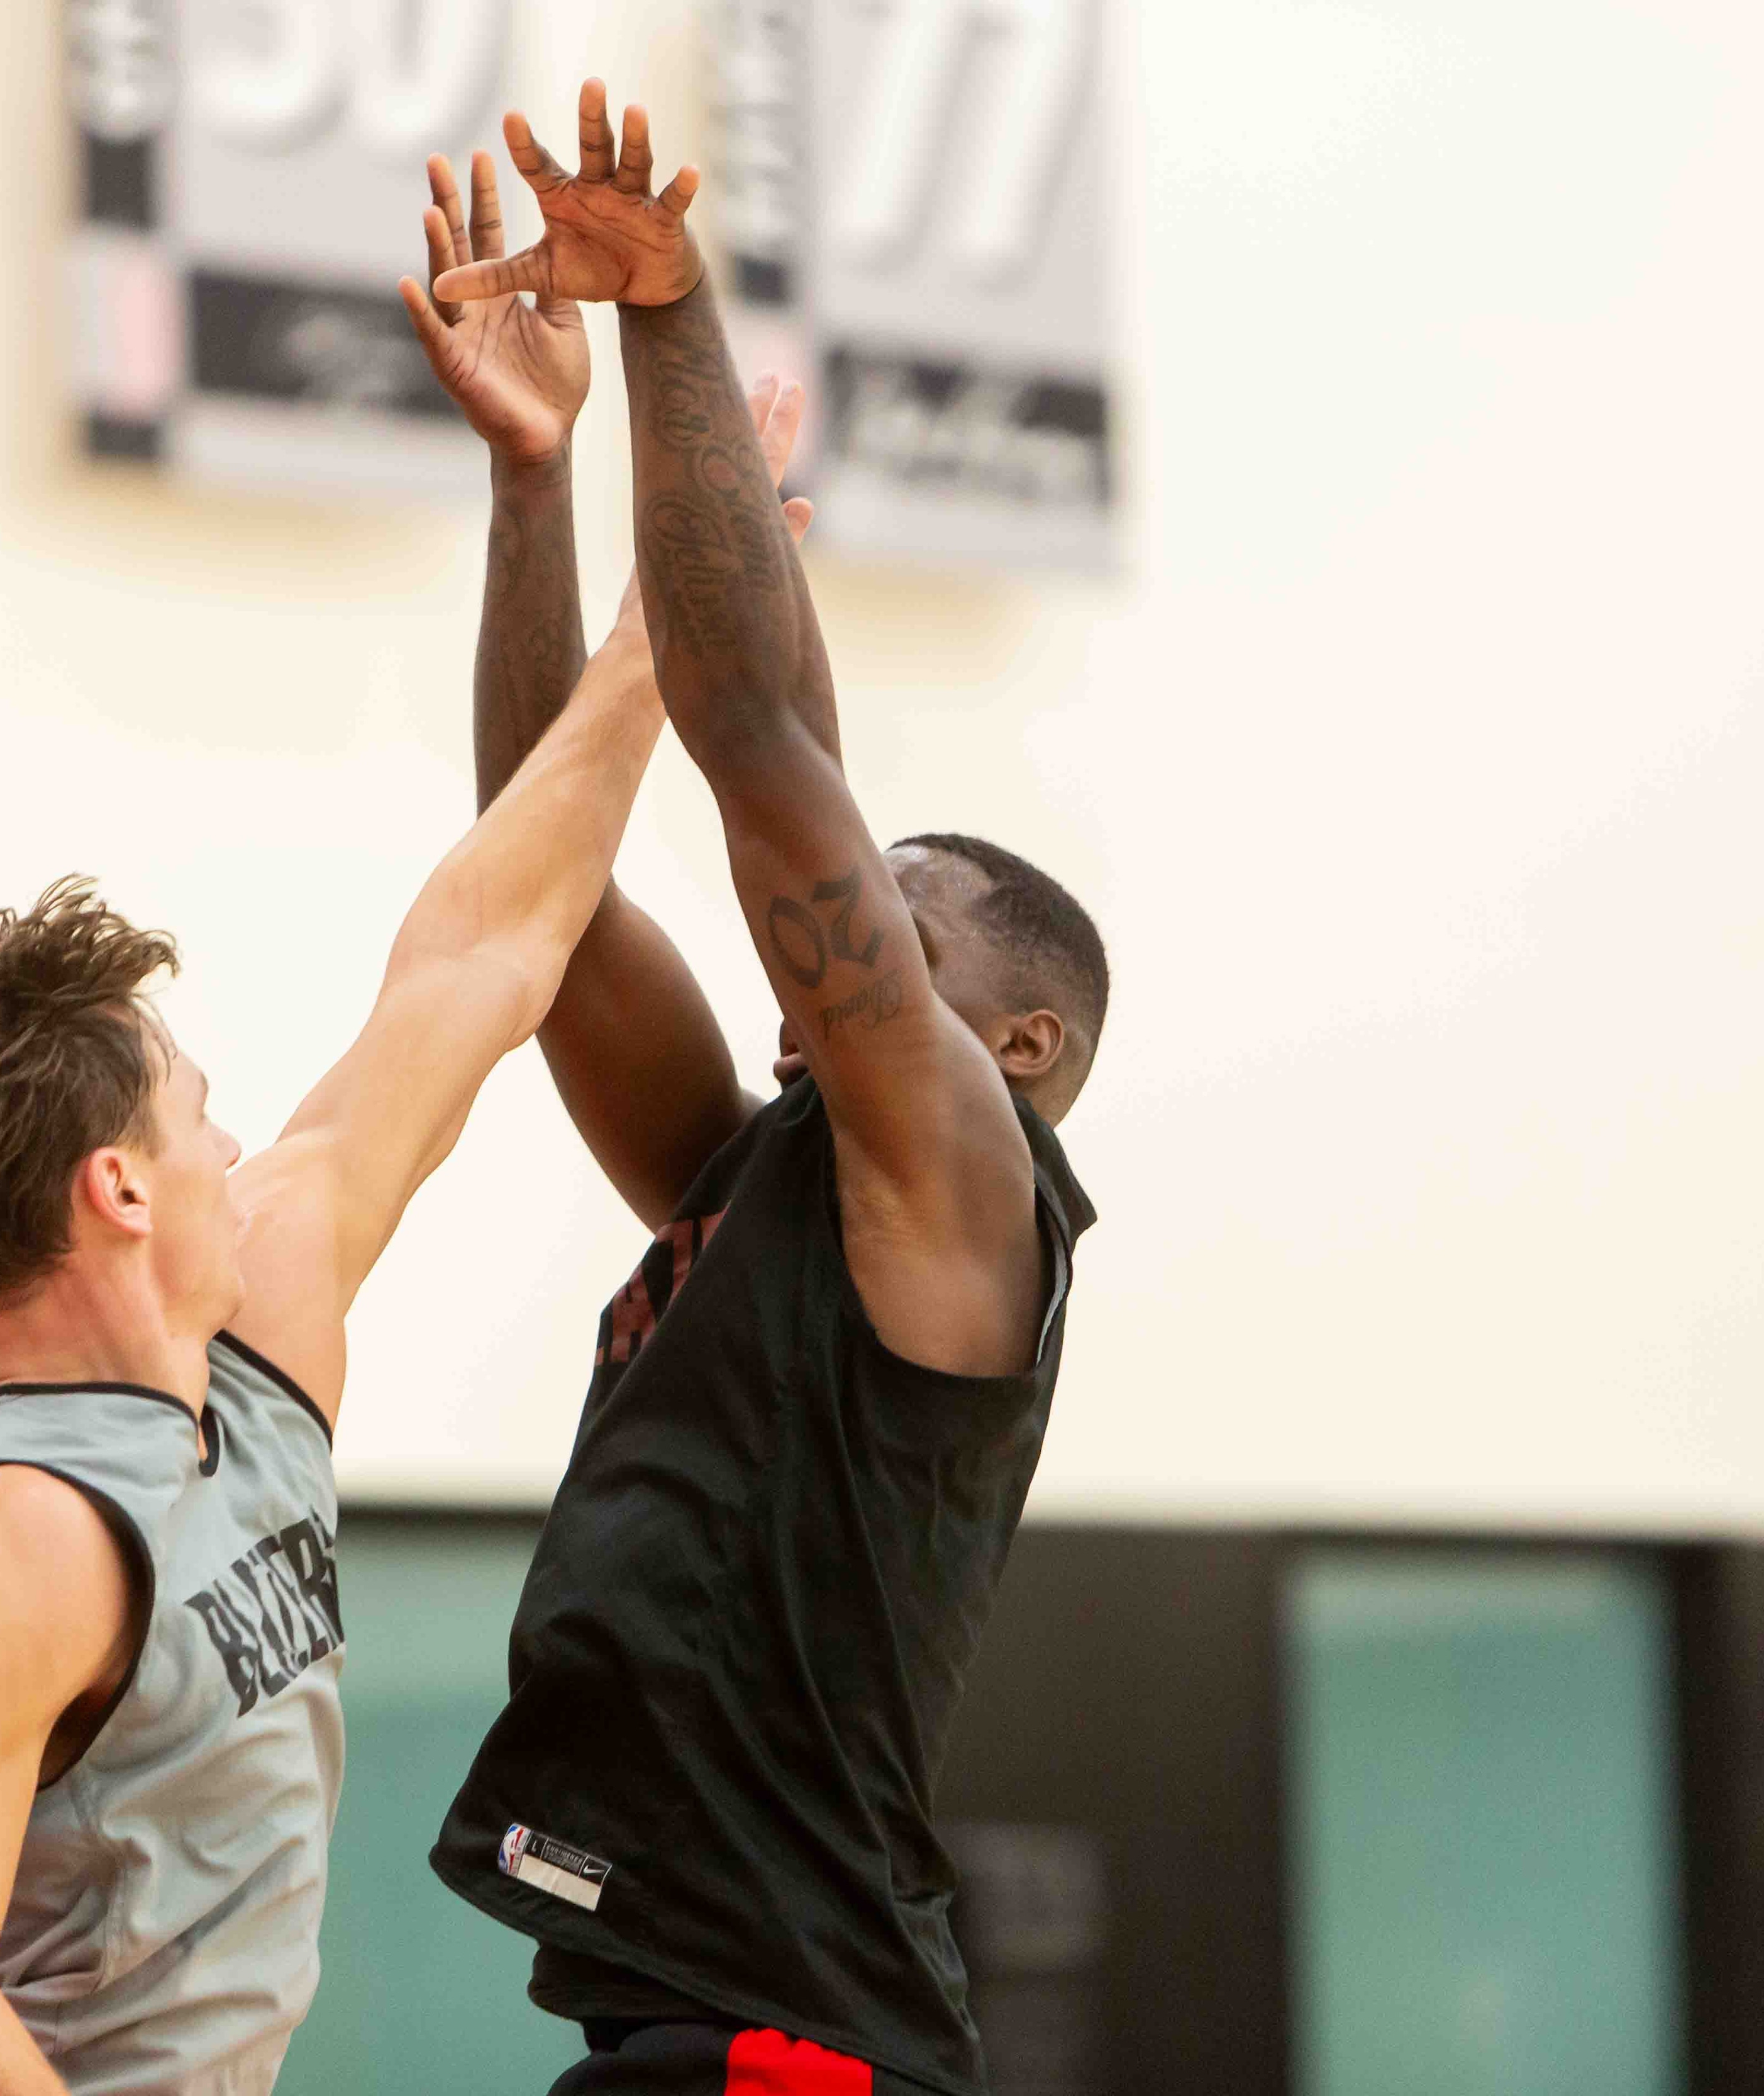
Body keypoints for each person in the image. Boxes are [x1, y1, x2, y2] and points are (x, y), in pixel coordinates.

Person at [0, 314, 819, 2094]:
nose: (234, 1136)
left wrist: (638, 606)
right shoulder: (2, 1543)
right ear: (115, 1189)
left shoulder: (258, 1322)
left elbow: (489, 942)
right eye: (195, 1113)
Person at [414, 87, 1112, 2096]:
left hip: (794, 2048)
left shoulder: (973, 1193)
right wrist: (534, 483)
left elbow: (749, 729)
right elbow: (527, 880)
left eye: (906, 928)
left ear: (1020, 1045)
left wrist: (667, 314)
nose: (841, 936)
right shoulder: (756, 1172)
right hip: (690, 2022)